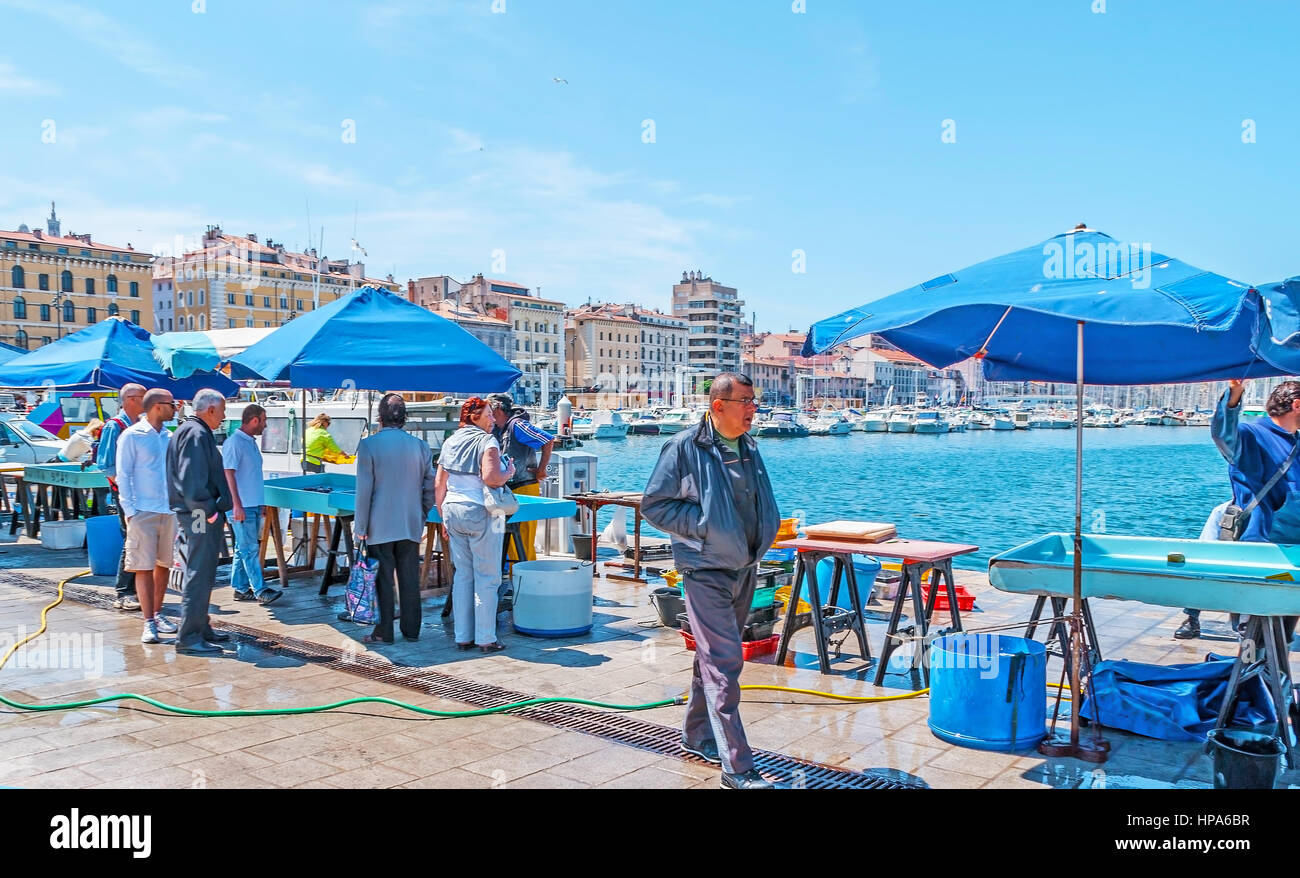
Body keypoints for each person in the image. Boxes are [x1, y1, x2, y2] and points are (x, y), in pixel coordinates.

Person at [642, 372, 780, 790]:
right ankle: (737, 767)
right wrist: (703, 526)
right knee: (725, 664)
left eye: (755, 400)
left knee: (714, 658)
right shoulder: (684, 447)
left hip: (744, 566)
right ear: (719, 406)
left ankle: (697, 734)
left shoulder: (749, 446)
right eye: (747, 401)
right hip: (704, 570)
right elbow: (655, 505)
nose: (754, 408)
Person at [1175, 378, 1300, 640]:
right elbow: (1223, 433)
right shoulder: (1252, 436)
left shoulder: (1296, 442)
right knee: (1256, 634)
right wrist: (1234, 394)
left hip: (1293, 552)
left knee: (1283, 632)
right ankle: (1194, 615)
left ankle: (1272, 679)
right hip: (1260, 550)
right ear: (1297, 406)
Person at [354, 393, 436, 645]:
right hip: (410, 521)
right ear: (404, 417)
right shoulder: (420, 446)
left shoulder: (369, 445)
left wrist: (361, 526)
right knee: (410, 578)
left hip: (379, 523)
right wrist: (421, 513)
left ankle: (383, 631)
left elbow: (364, 489)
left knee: (383, 580)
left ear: (380, 416)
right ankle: (412, 630)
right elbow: (430, 486)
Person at [436, 397, 514, 653]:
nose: (493, 419)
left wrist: (443, 518)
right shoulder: (486, 441)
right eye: (488, 415)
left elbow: (440, 483)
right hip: (481, 512)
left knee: (463, 575)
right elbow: (492, 478)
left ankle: (463, 636)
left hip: (452, 509)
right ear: (474, 417)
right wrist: (509, 473)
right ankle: (486, 638)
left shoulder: (450, 441)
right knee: (488, 577)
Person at [167, 388, 234, 657]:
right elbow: (191, 481)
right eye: (223, 412)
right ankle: (190, 636)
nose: (224, 417)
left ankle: (200, 627)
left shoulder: (189, 431)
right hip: (198, 513)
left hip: (197, 512)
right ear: (210, 410)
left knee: (203, 571)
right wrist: (209, 511)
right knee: (198, 571)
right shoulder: (195, 434)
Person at [116, 389, 179, 645]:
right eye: (171, 404)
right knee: (142, 566)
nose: (175, 408)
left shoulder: (169, 436)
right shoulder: (131, 435)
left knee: (164, 563)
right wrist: (130, 511)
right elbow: (124, 474)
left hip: (167, 509)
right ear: (156, 406)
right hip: (143, 509)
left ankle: (158, 612)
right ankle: (148, 621)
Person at [222, 404, 282, 606]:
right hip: (243, 505)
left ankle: (239, 587)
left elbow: (252, 475)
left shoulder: (249, 442)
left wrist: (261, 502)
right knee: (249, 549)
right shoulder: (235, 443)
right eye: (264, 420)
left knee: (243, 547)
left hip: (253, 503)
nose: (265, 425)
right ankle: (260, 588)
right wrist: (236, 505)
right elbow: (228, 473)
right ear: (255, 420)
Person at [488, 393, 554, 566]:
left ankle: (527, 581)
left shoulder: (518, 425)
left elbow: (548, 440)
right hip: (508, 490)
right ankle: (514, 580)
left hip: (524, 487)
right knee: (510, 543)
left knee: (523, 541)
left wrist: (541, 470)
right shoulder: (497, 429)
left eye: (489, 408)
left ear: (498, 408)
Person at [98, 383, 146, 611]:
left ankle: (136, 588)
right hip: (126, 494)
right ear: (131, 399)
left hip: (142, 493)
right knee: (131, 539)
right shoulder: (114, 426)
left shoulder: (140, 426)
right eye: (143, 397)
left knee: (139, 540)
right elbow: (106, 466)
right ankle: (124, 591)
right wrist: (127, 487)